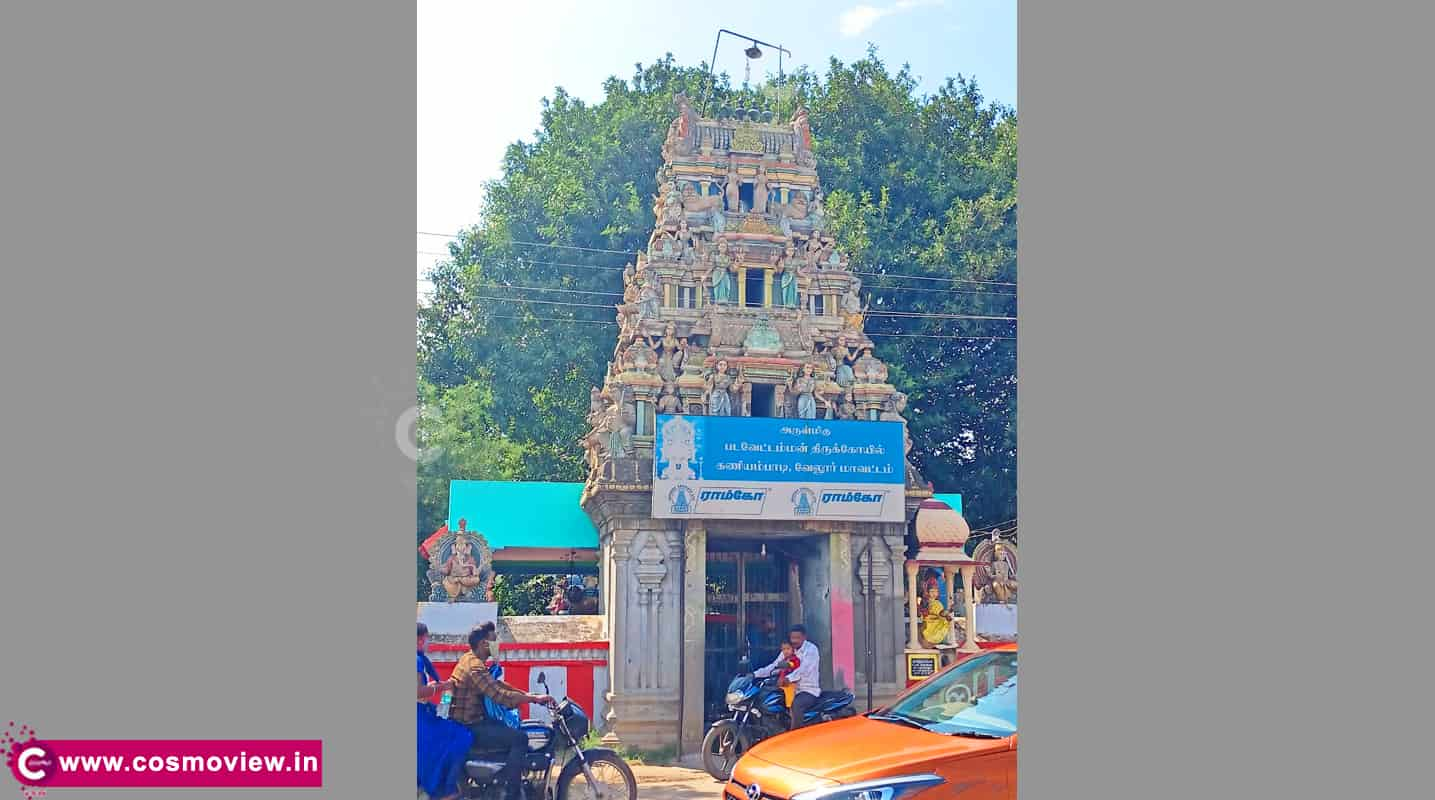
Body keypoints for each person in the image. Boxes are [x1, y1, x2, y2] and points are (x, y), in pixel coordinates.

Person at [450, 622, 556, 800]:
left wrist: (529, 695)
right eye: (494, 640)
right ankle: (512, 793)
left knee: (517, 730)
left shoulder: (470, 659)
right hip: (470, 726)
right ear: (484, 643)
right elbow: (500, 696)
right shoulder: (474, 667)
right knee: (520, 738)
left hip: (474, 722)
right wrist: (533, 699)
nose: (496, 644)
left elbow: (497, 684)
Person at [418, 624, 470, 800]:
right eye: (426, 638)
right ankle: (446, 790)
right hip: (420, 717)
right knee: (462, 736)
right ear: (420, 639)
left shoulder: (421, 659)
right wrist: (441, 687)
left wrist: (435, 687)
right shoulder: (416, 660)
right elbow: (417, 692)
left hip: (426, 711)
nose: (428, 643)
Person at [754, 624, 820, 729]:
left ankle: (795, 736)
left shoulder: (811, 650)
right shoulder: (789, 649)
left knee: (796, 705)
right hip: (788, 689)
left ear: (804, 637)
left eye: (797, 638)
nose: (794, 641)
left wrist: (788, 678)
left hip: (807, 690)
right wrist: (755, 674)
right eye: (792, 638)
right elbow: (775, 666)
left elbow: (804, 670)